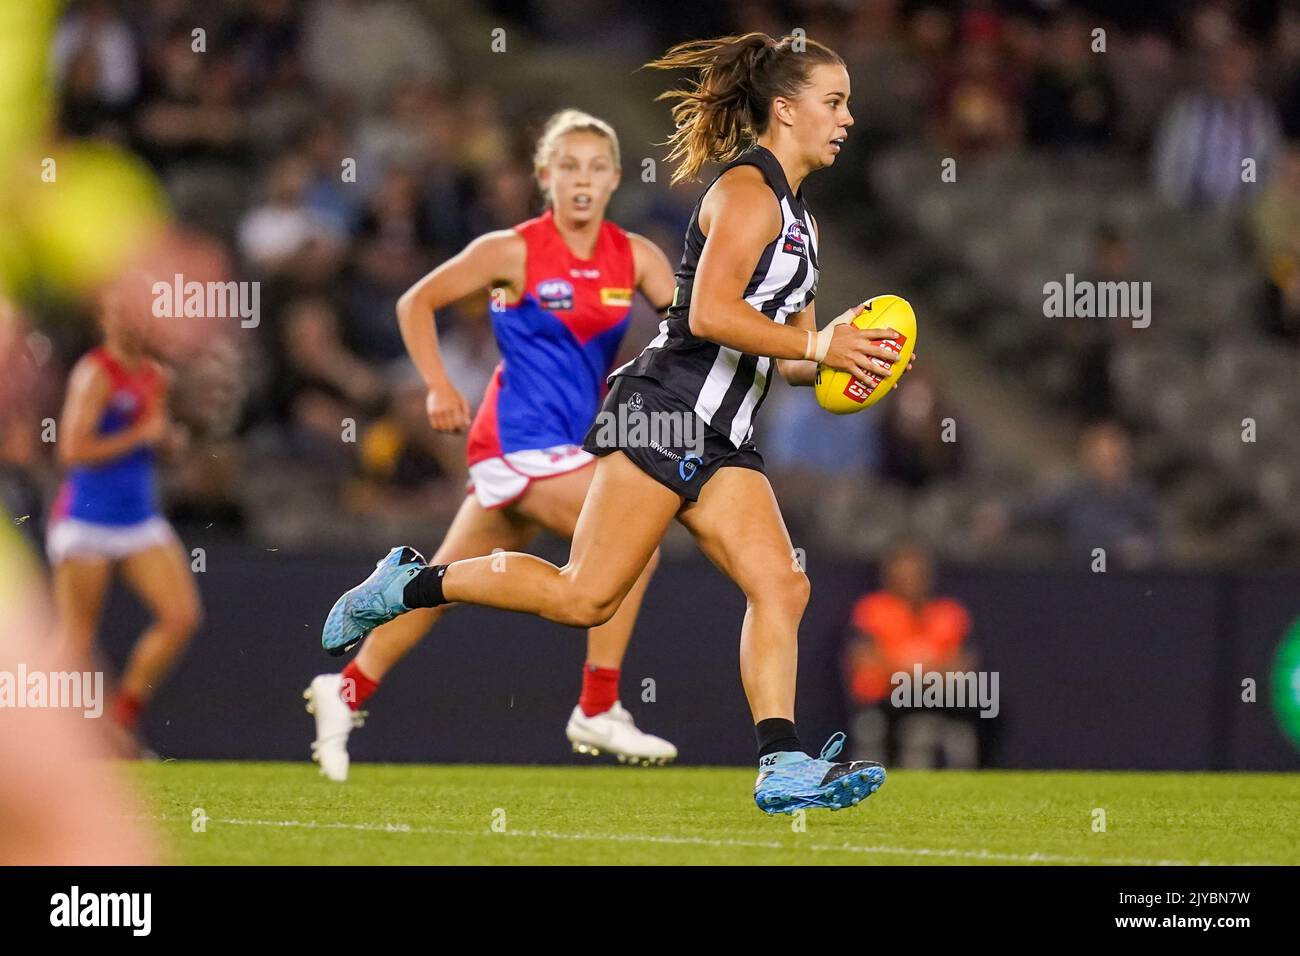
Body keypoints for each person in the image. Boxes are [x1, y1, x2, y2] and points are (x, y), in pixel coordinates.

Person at [323, 33, 911, 814]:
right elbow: (708, 312)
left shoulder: (802, 222)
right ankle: (411, 581)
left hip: (723, 438)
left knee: (783, 584)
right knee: (584, 599)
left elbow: (794, 359)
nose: (846, 117)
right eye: (832, 101)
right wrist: (815, 341)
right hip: (664, 415)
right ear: (784, 108)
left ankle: (781, 762)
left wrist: (844, 359)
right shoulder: (745, 193)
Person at [307, 110, 679, 779]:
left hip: (565, 448)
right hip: (514, 441)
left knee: (437, 594)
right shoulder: (514, 250)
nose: (583, 179)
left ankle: (347, 688)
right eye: (568, 166)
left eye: (597, 166)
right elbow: (414, 303)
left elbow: (696, 331)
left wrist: (797, 346)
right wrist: (438, 387)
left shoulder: (638, 257)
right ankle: (597, 707)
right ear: (545, 176)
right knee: (634, 544)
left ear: (617, 177)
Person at [47, 276, 203, 754]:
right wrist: (141, 435)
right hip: (88, 520)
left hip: (137, 518)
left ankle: (118, 720)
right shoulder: (96, 374)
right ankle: (35, 738)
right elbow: (71, 449)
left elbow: (155, 441)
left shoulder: (156, 375)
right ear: (105, 319)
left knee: (180, 617)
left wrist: (168, 442)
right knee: (76, 638)